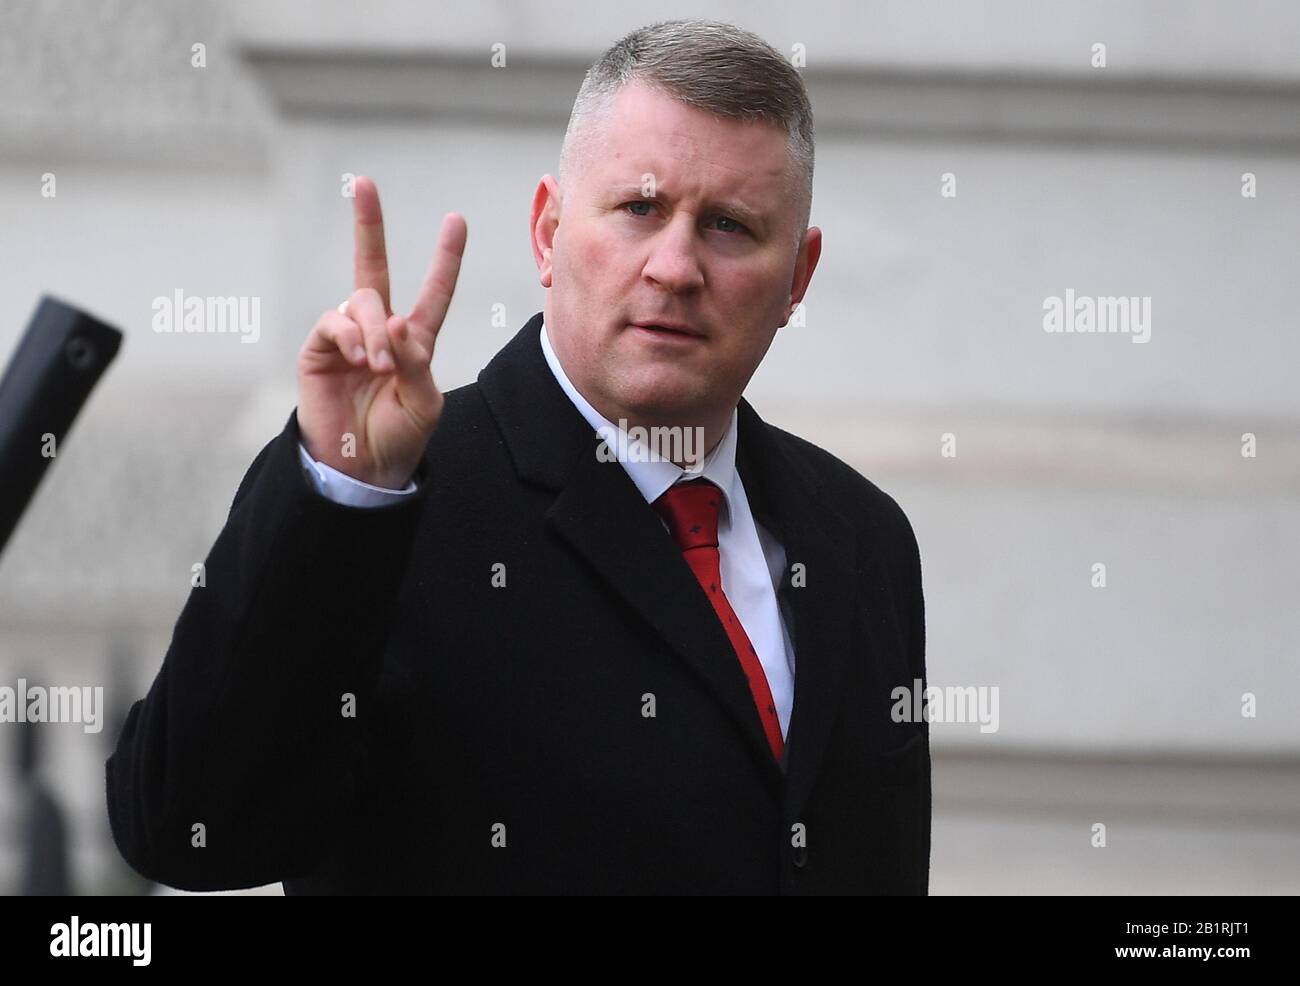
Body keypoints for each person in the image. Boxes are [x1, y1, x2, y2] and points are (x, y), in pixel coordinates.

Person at [106, 18, 930, 895]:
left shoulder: (860, 538)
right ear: (548, 231)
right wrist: (340, 490)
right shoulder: (394, 504)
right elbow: (187, 830)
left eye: (729, 226)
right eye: (641, 209)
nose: (676, 266)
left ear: (796, 279)